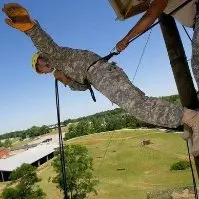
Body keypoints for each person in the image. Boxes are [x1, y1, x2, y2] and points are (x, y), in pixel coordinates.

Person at [2, 3, 199, 156]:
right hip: (97, 78)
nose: (44, 68)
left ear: (42, 57)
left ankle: (192, 118)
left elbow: (46, 44)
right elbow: (83, 87)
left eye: (41, 64)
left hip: (99, 72)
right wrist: (66, 80)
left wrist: (30, 28)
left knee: (138, 106)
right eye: (41, 70)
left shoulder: (56, 55)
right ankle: (187, 122)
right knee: (138, 105)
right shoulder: (61, 68)